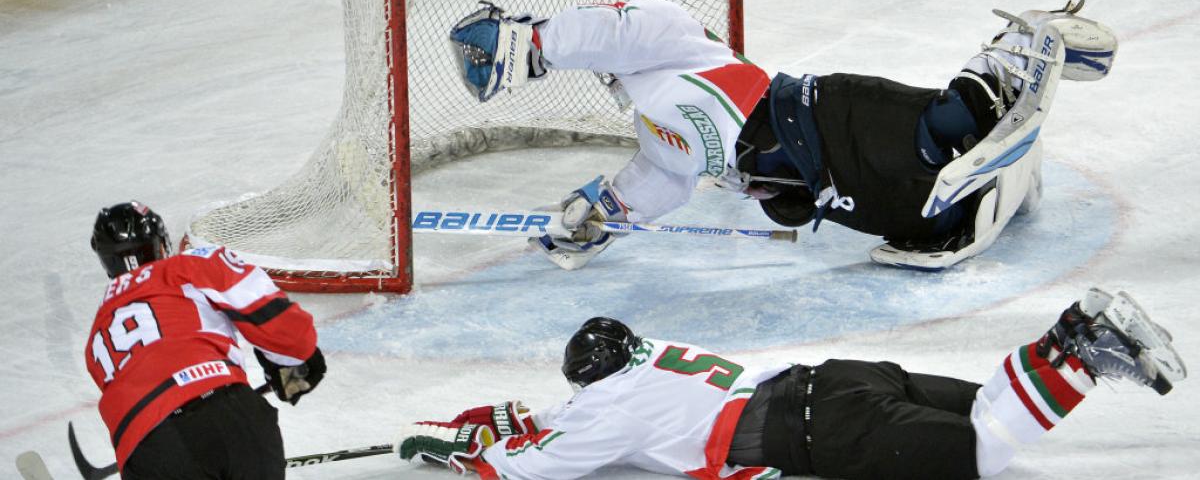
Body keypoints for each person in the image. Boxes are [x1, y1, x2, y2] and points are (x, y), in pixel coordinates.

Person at [446, 0, 1117, 270]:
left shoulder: (664, 35)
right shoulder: (654, 118)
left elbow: (608, 32)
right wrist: (600, 218)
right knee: (915, 218)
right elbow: (665, 176)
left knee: (939, 127)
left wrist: (531, 45)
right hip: (818, 185)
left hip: (824, 114)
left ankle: (1012, 48)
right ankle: (969, 195)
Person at [396, 287, 1185, 479]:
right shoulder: (654, 354)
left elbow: (532, 464)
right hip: (842, 376)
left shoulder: (610, 409)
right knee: (985, 401)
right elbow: (584, 419)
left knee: (983, 454)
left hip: (823, 432)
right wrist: (518, 418)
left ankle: (1080, 352)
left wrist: (468, 448)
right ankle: (1062, 338)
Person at [84, 201, 327, 479]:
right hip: (227, 418)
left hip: (147, 452)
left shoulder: (96, 335)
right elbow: (283, 328)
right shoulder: (185, 266)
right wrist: (295, 371)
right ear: (160, 244)